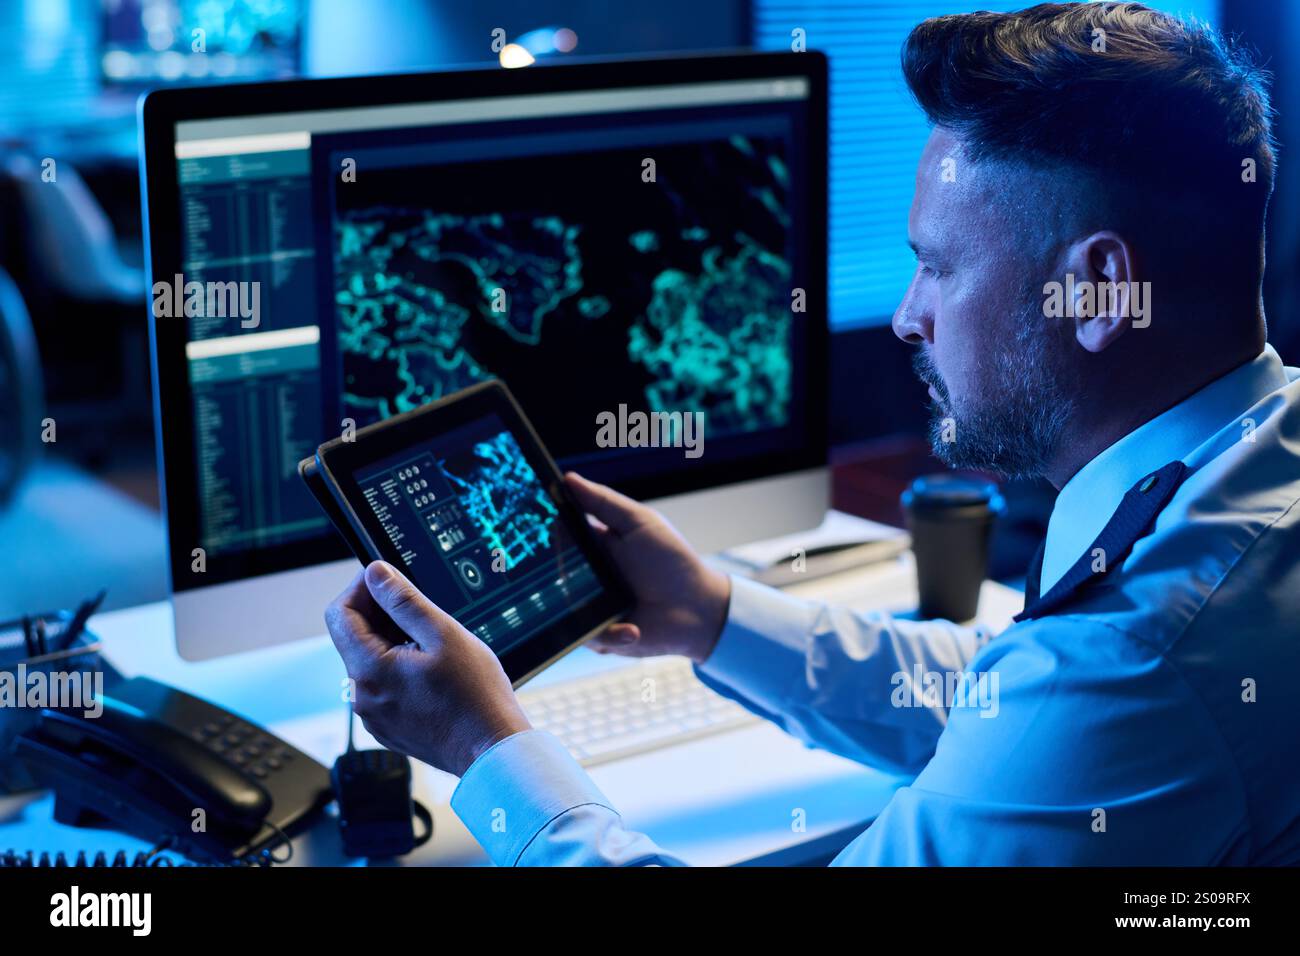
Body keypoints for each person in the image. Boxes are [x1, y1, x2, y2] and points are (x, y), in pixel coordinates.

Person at [324, 2, 1300, 865]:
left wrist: (490, 753)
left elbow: (1078, 706)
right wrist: (710, 612)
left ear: (1093, 290)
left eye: (939, 266)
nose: (905, 315)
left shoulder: (1137, 657)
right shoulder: (1252, 461)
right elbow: (1013, 703)